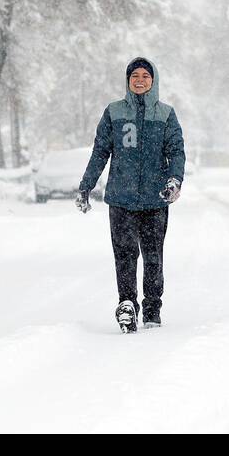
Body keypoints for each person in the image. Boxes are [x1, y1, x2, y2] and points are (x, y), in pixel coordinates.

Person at [77, 57, 185, 333]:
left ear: (154, 80)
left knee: (152, 256)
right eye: (134, 75)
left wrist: (174, 181)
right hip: (121, 199)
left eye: (145, 76)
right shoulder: (113, 112)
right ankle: (127, 305)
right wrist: (86, 185)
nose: (139, 80)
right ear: (127, 81)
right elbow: (101, 151)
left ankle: (152, 308)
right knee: (124, 255)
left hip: (154, 200)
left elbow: (176, 151)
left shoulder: (166, 114)